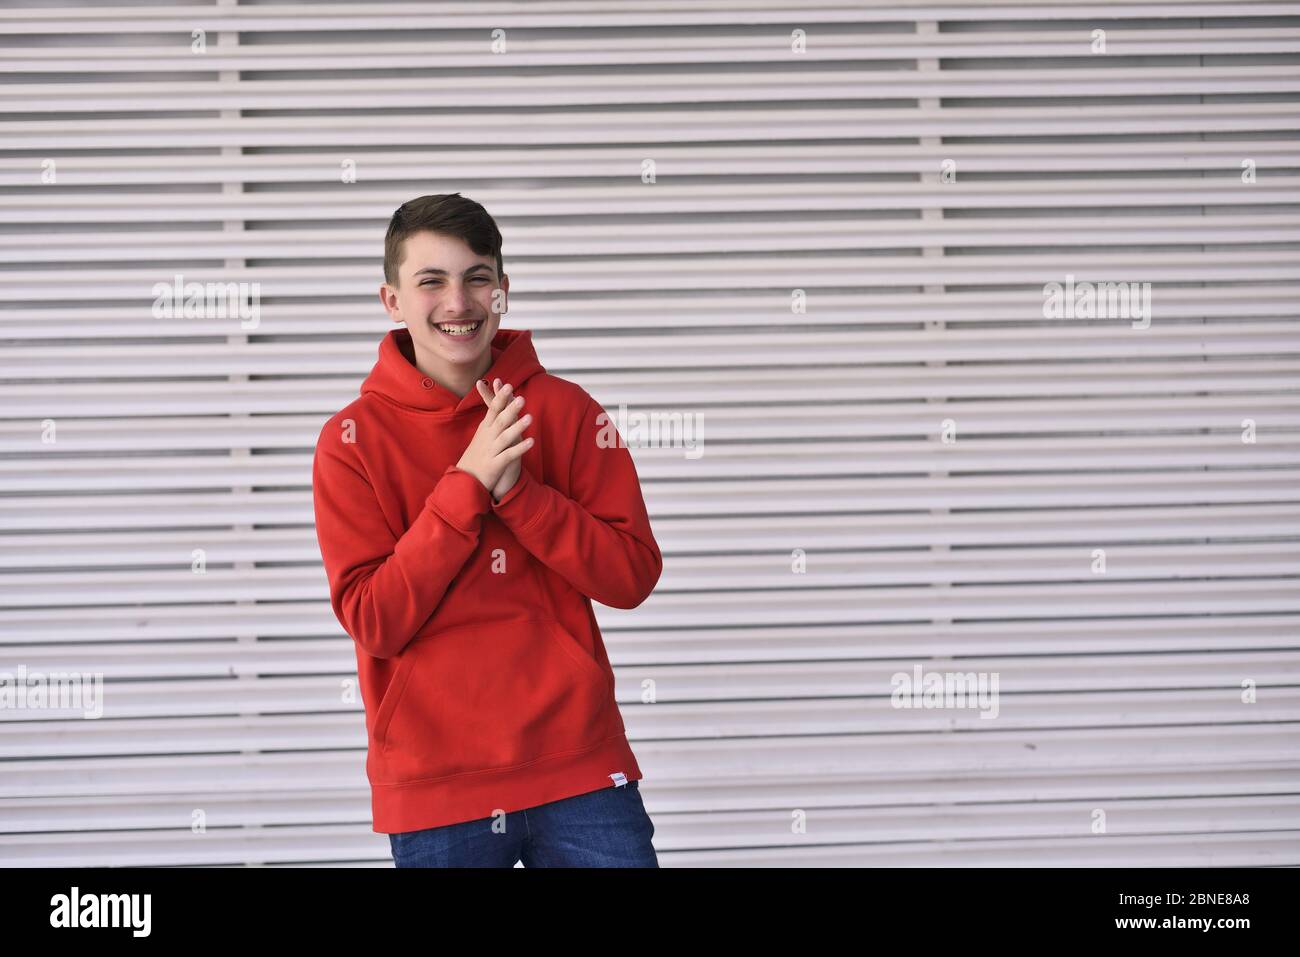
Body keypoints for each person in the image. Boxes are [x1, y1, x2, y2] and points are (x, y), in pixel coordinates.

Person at [311, 193, 662, 867]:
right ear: (392, 300)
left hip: (579, 766)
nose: (458, 301)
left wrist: (523, 497)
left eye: (477, 277)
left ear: (503, 292)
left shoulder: (565, 410)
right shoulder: (349, 443)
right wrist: (467, 486)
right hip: (437, 789)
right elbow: (374, 618)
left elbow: (631, 574)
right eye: (431, 280)